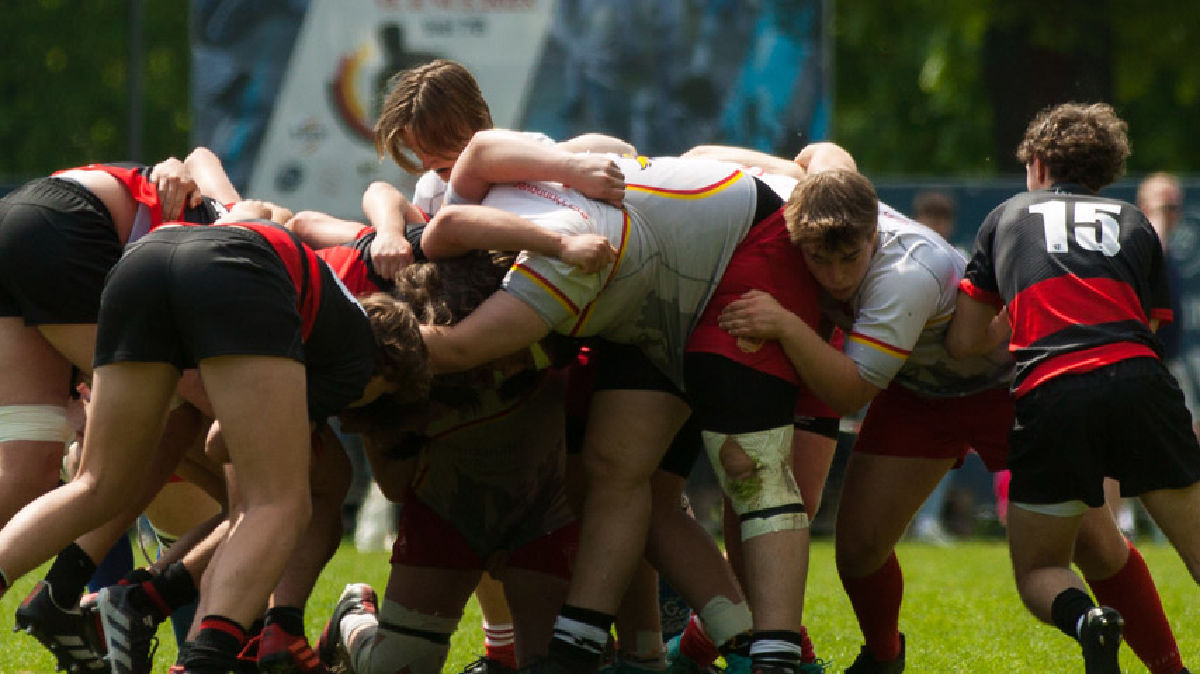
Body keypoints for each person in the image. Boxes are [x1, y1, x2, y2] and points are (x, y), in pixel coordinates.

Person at [719, 144, 1189, 673]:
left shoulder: (905, 271)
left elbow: (850, 393)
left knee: (1098, 548)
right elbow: (825, 153)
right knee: (857, 550)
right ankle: (883, 656)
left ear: (873, 232)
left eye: (849, 258)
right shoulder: (820, 207)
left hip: (1003, 390)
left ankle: (1170, 669)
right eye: (819, 259)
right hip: (916, 393)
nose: (835, 276)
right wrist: (745, 164)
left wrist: (784, 324)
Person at [417, 130, 833, 674]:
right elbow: (466, 176)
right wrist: (569, 167)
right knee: (614, 463)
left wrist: (369, 337)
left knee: (751, 464)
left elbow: (460, 348)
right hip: (662, 271)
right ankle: (580, 645)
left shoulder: (551, 268)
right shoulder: (479, 209)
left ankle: (778, 657)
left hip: (747, 250)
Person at [0, 202, 425, 673]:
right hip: (235, 268)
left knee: (96, 483)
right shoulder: (359, 358)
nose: (349, 420)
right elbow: (221, 443)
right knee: (281, 503)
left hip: (145, 259)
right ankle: (203, 662)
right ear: (388, 369)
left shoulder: (333, 300)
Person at [947, 102, 1200, 674]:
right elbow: (1151, 327)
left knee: (1039, 569)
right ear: (1107, 169)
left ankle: (1089, 621)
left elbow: (965, 341)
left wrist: (1023, 311)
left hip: (1052, 391)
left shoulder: (1006, 216)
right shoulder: (1134, 224)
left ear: (1037, 164)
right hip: (1140, 381)